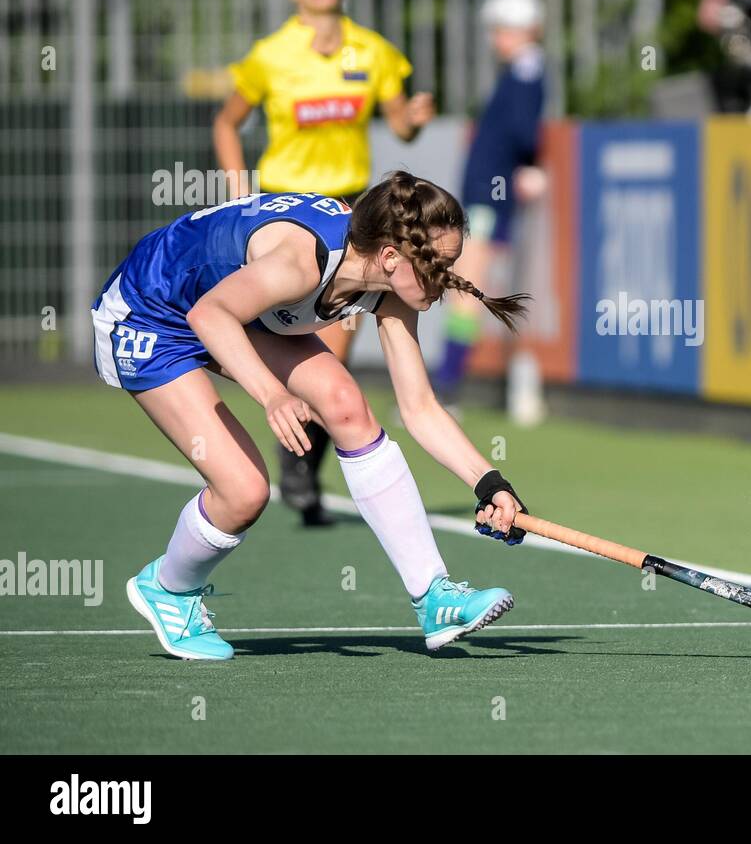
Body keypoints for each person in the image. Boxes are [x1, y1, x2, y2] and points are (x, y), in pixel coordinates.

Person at [91, 172, 530, 660]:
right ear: (390, 257)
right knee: (244, 493)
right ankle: (168, 589)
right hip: (151, 312)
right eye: (437, 266)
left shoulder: (390, 281)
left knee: (344, 403)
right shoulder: (301, 262)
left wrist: (490, 483)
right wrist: (272, 395)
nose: (445, 281)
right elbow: (208, 316)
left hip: (235, 306)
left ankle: (434, 598)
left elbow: (420, 407)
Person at [213, 0, 434, 525]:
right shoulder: (270, 55)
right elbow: (227, 122)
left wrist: (413, 121)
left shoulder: (373, 50)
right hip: (284, 215)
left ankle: (302, 465)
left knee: (335, 344)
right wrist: (239, 194)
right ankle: (296, 448)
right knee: (290, 337)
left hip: (349, 213)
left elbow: (399, 124)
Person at [434, 0, 546, 417]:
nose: (495, 39)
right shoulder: (521, 72)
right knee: (466, 286)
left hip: (488, 196)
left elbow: (522, 134)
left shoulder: (526, 73)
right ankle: (446, 386)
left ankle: (446, 389)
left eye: (500, 30)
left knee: (467, 287)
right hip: (487, 194)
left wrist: (527, 166)